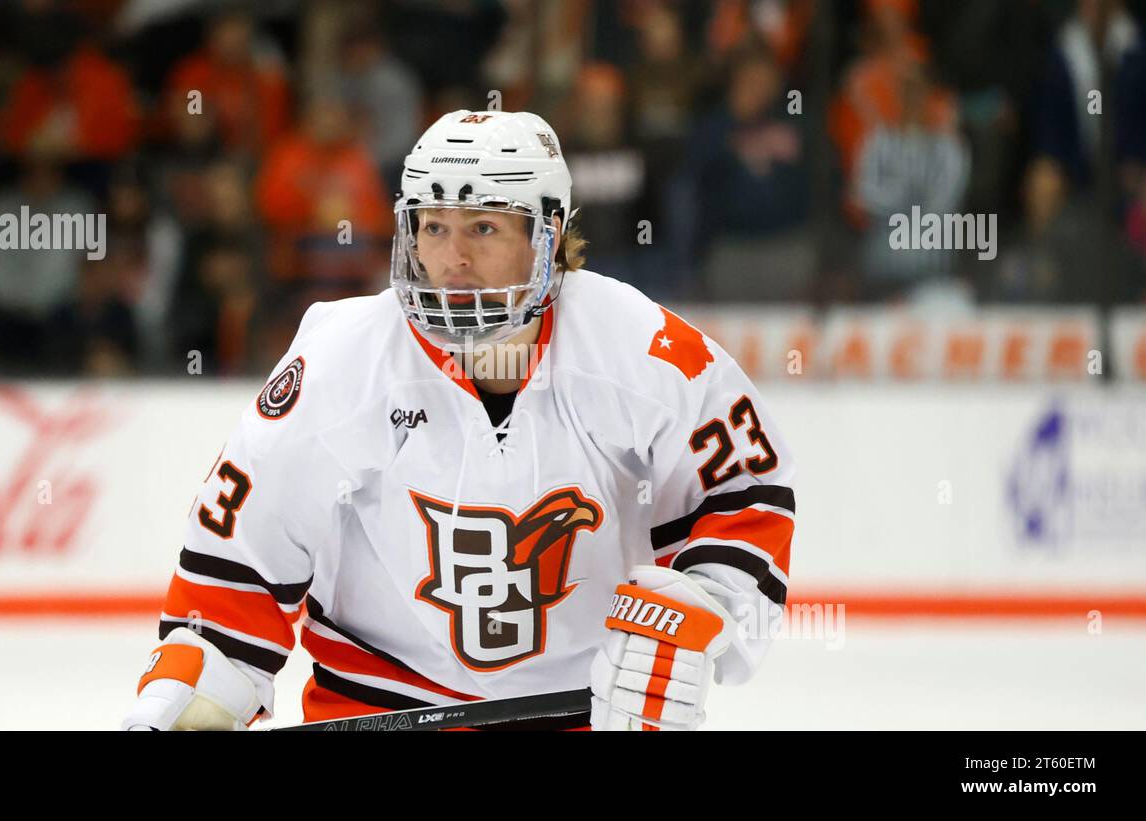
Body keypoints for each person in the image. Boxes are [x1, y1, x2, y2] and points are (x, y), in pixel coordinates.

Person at [122, 110, 797, 732]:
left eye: (483, 227)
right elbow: (233, 580)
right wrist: (190, 697)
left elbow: (743, 490)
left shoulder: (639, 348)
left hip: (590, 710)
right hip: (380, 700)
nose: (453, 259)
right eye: (433, 226)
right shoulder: (339, 362)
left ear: (548, 236)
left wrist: (697, 608)